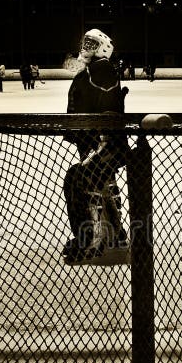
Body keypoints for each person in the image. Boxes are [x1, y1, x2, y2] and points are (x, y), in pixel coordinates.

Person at [62, 28, 130, 264]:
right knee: (104, 185)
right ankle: (115, 235)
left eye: (92, 44)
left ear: (104, 47)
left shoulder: (101, 69)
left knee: (83, 183)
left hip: (101, 142)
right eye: (86, 43)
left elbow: (102, 95)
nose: (86, 47)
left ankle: (92, 241)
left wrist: (100, 144)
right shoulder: (95, 70)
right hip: (93, 140)